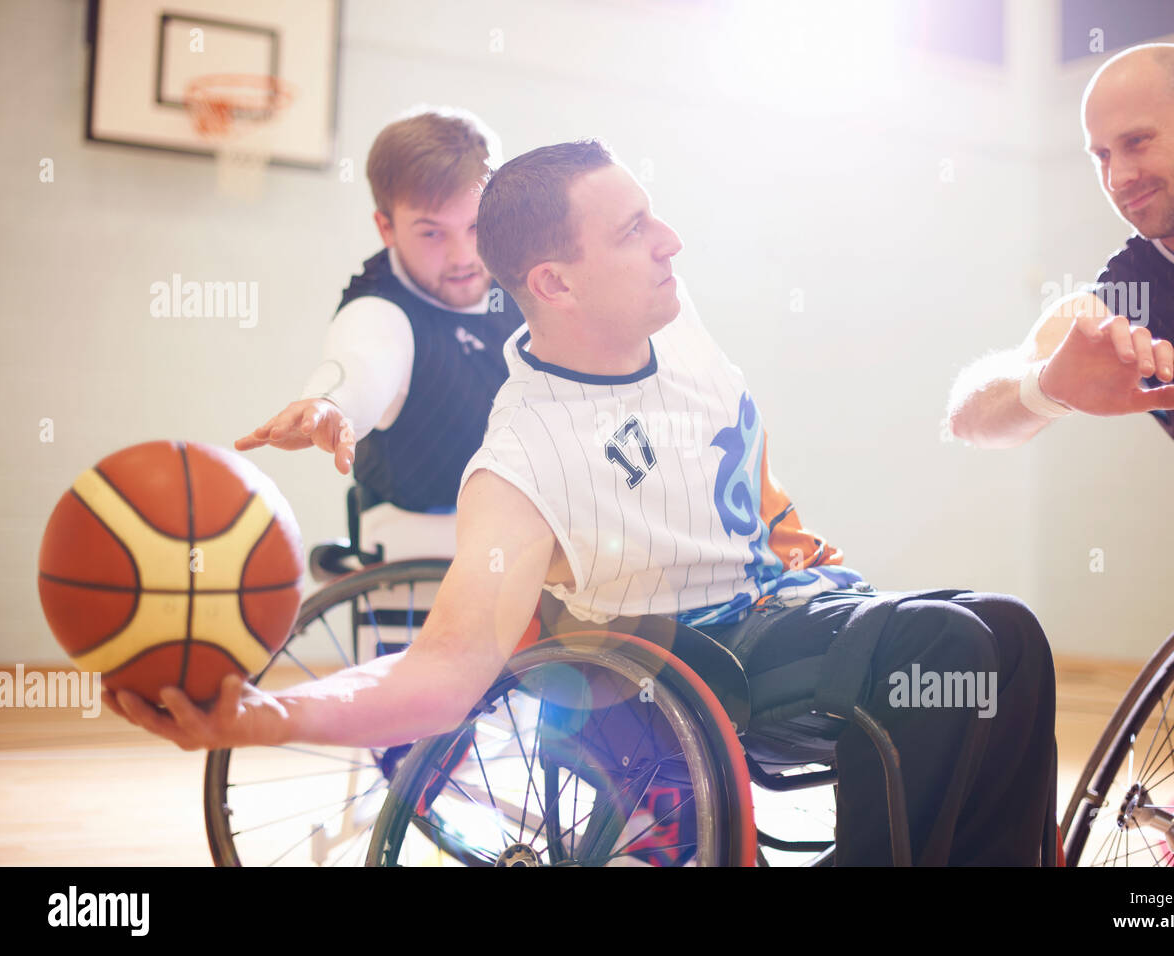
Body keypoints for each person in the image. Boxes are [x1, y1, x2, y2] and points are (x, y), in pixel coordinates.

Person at [108, 140, 1057, 866]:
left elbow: (539, 211)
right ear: (554, 283)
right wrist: (268, 717)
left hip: (796, 601)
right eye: (634, 230)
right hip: (697, 661)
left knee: (1007, 631)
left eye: (653, 217)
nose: (669, 241)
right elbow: (443, 667)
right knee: (948, 648)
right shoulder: (521, 461)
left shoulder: (671, 320)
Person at [945, 43, 1174, 561]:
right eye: (1102, 156)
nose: (1118, 177)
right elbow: (968, 416)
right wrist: (1046, 389)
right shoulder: (1124, 299)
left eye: (1137, 142)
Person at [234, 106, 525, 515]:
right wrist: (330, 403)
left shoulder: (526, 274)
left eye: (476, 226)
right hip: (414, 556)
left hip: (532, 542)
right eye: (431, 233)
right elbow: (363, 364)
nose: (463, 256)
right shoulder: (379, 307)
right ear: (385, 227)